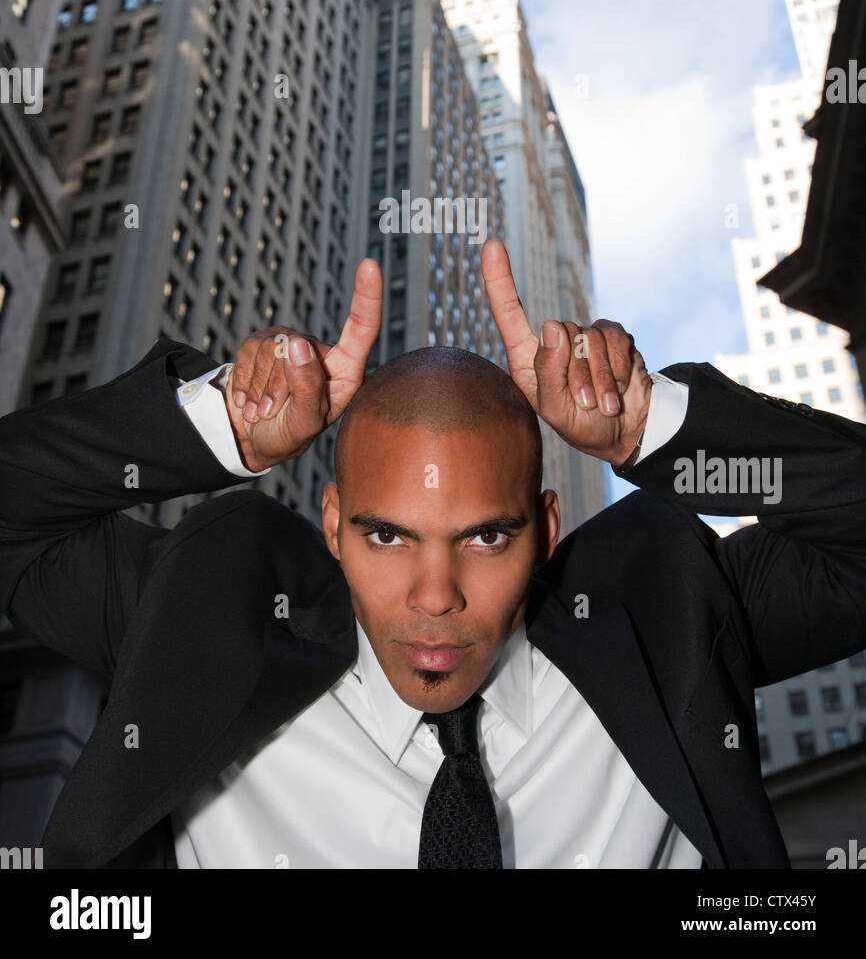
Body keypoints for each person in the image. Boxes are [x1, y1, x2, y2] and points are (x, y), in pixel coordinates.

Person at [1, 238, 864, 868]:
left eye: (487, 535)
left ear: (547, 531)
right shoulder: (208, 621)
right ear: (332, 525)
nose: (436, 596)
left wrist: (654, 430)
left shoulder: (662, 618)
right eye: (388, 535)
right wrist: (216, 422)